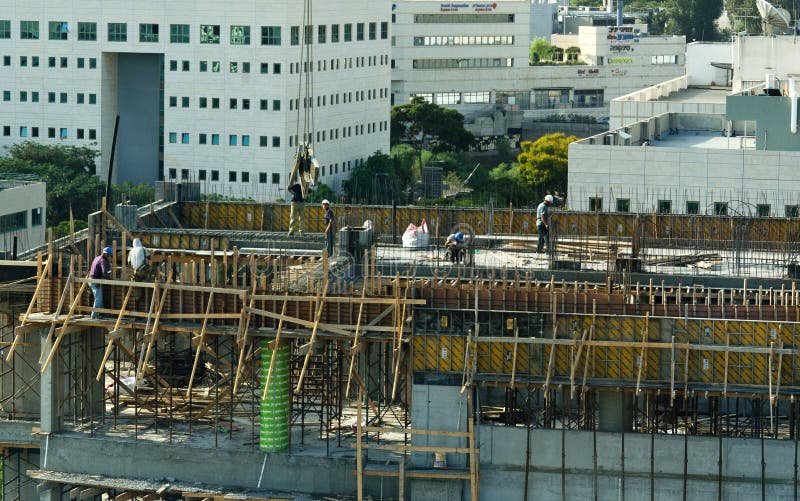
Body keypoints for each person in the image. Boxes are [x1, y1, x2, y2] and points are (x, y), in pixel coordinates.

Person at [89, 246, 113, 318]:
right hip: (95, 281)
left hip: (91, 279)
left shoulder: (97, 258)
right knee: (98, 298)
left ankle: (101, 313)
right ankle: (94, 315)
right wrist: (109, 278)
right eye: (109, 255)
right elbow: (105, 272)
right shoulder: (102, 260)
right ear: (106, 254)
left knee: (99, 297)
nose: (109, 257)